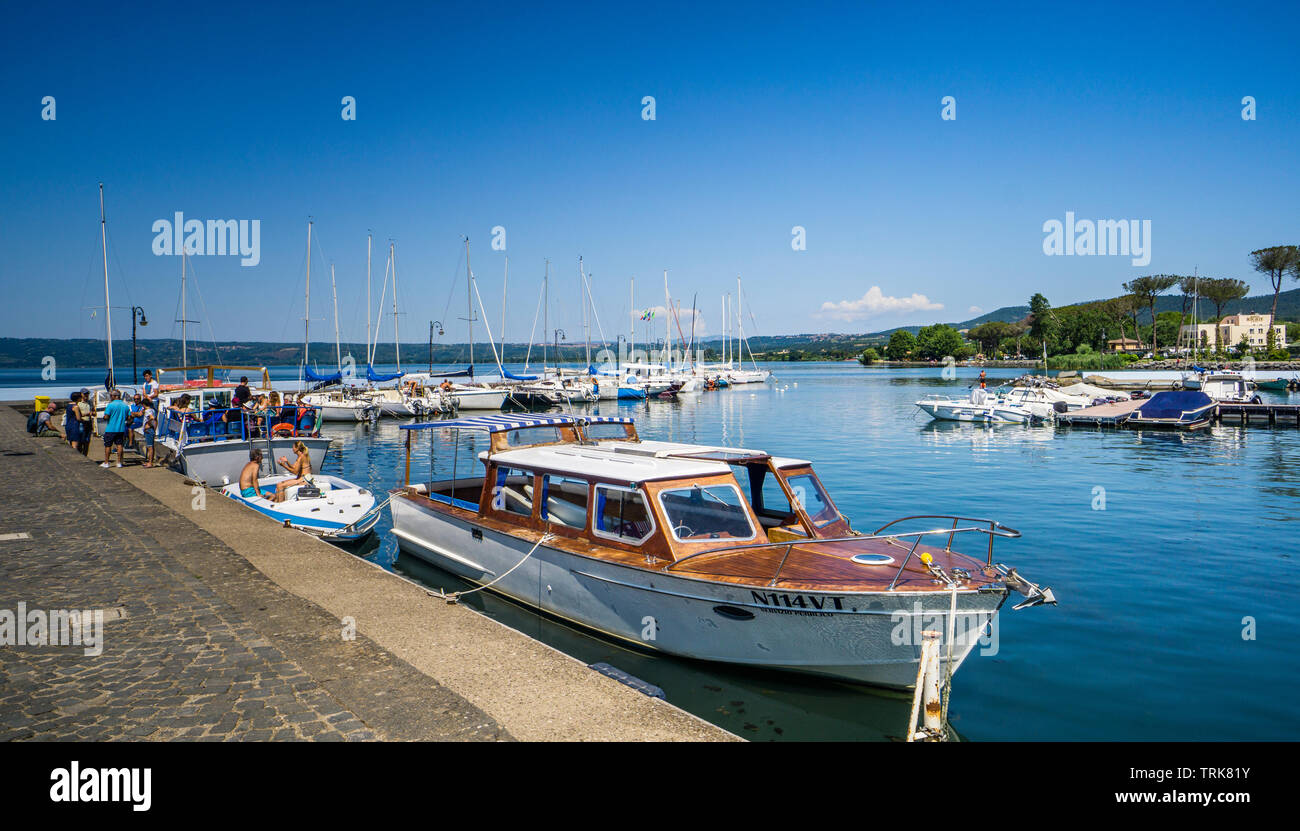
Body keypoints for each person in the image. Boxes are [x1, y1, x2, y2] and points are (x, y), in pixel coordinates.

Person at [100, 389, 130, 468]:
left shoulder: (110, 405)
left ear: (114, 396)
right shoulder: (125, 405)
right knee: (119, 445)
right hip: (120, 429)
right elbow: (129, 417)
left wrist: (104, 417)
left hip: (111, 429)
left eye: (111, 396)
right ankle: (119, 462)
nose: (110, 397)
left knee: (108, 445)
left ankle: (106, 462)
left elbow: (106, 416)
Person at [75, 390, 94, 456]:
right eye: (85, 394)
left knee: (87, 441)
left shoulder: (90, 402)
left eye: (87, 394)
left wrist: (93, 413)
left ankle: (85, 455)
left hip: (89, 423)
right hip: (81, 423)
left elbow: (93, 411)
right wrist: (87, 414)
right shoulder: (78, 403)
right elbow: (78, 415)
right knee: (80, 441)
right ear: (81, 394)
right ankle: (80, 455)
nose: (86, 395)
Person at [140, 398, 158, 468]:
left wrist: (147, 424)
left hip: (149, 430)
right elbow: (155, 420)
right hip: (151, 429)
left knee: (150, 447)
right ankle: (149, 461)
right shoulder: (153, 410)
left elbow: (152, 418)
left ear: (144, 404)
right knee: (150, 446)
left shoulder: (148, 411)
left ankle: (150, 462)